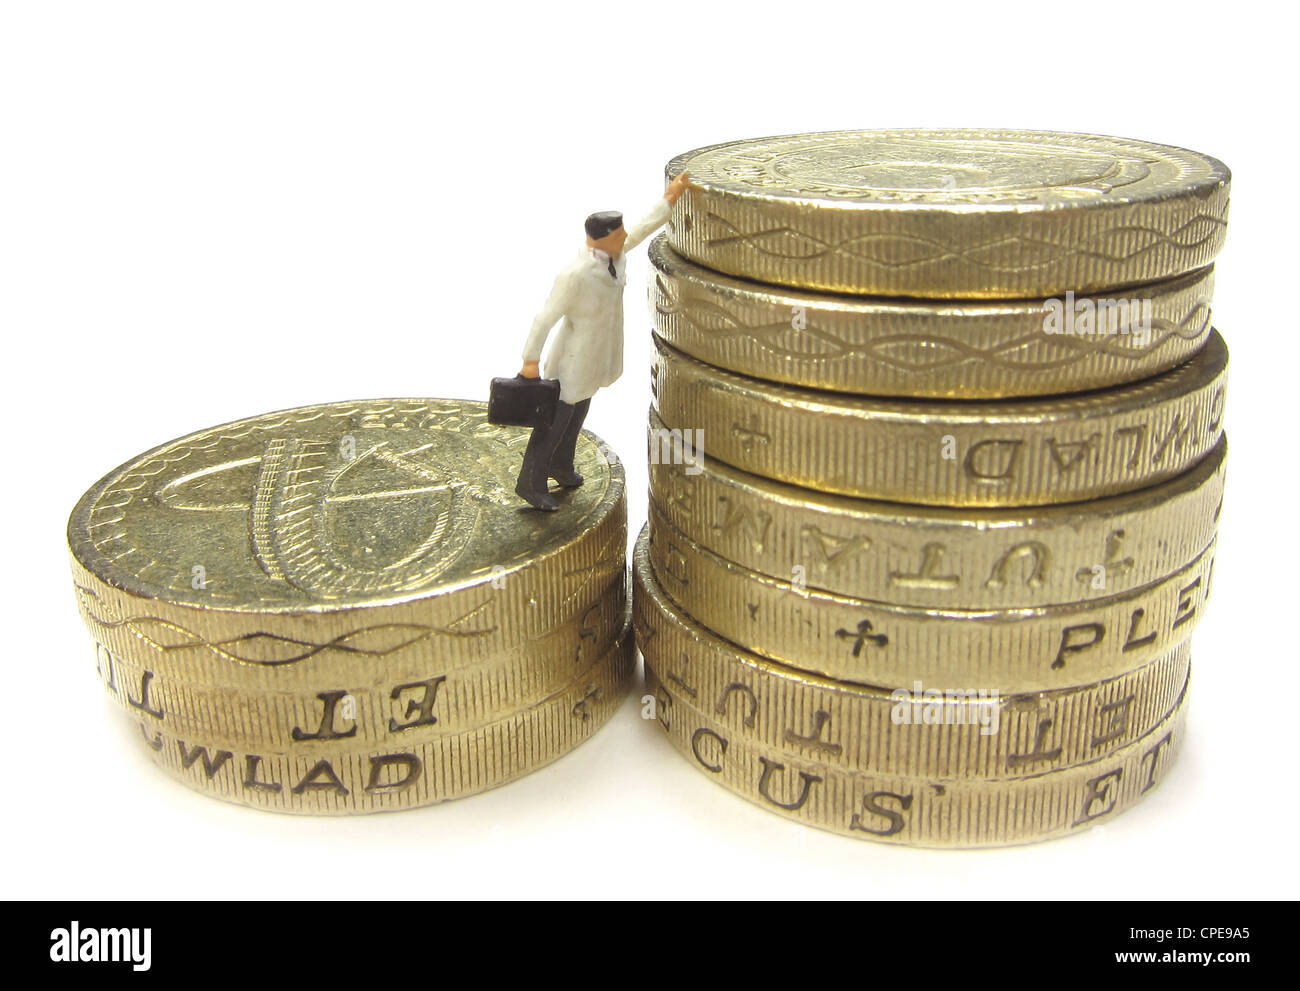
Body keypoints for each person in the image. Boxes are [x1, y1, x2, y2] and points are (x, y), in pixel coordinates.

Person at [514, 171, 692, 510]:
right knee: (555, 420)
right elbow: (545, 318)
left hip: (597, 356)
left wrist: (671, 197)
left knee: (578, 413)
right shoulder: (575, 274)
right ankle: (530, 481)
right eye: (618, 234)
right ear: (599, 239)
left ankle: (560, 464)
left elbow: (641, 227)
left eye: (623, 233)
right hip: (571, 361)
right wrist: (530, 361)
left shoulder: (616, 254)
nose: (625, 237)